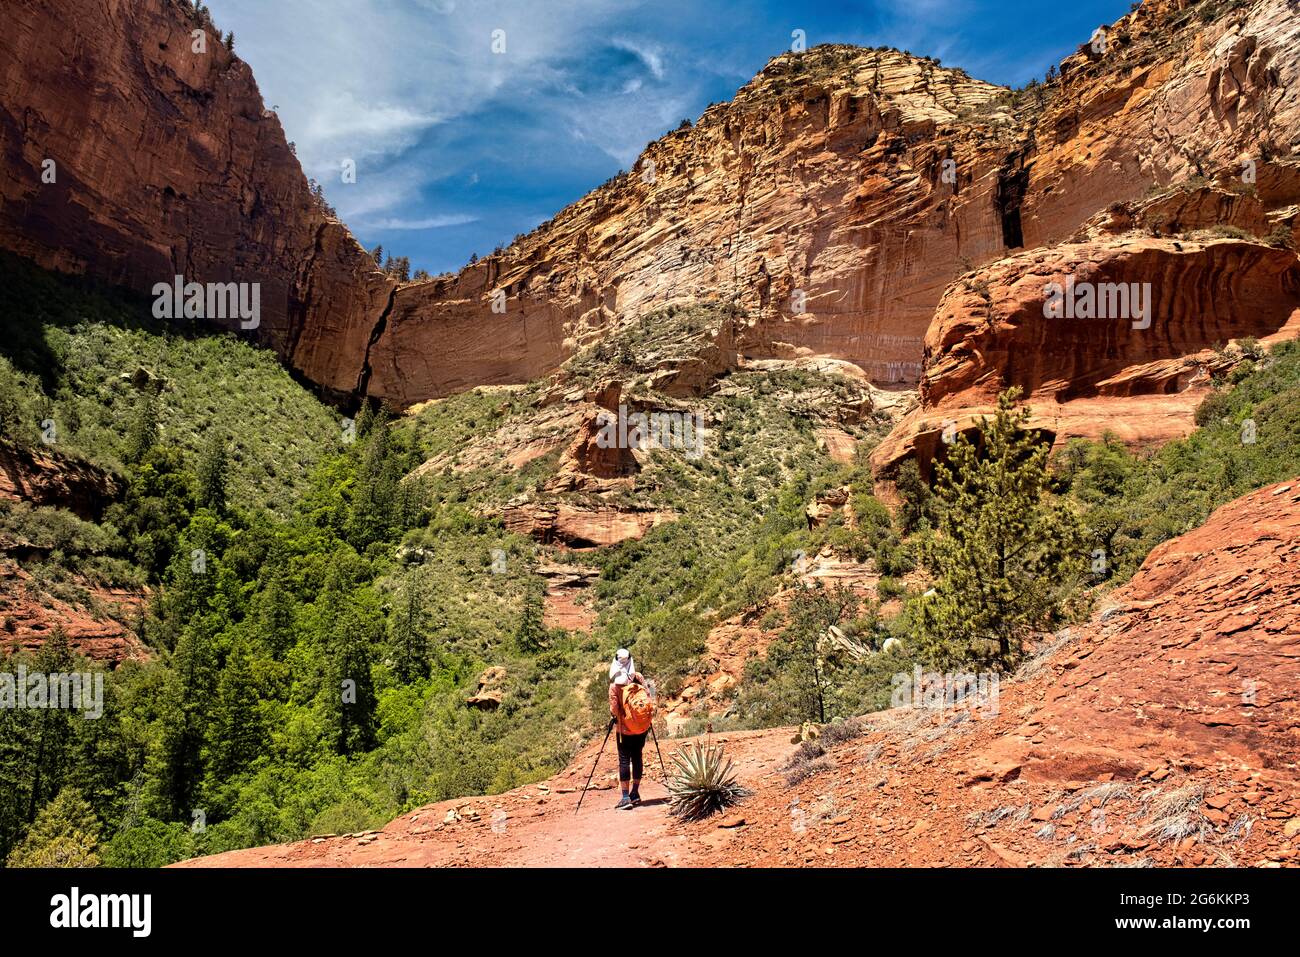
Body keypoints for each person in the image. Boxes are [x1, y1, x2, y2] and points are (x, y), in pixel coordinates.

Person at [608, 671, 647, 809]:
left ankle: (625, 798)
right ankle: (635, 793)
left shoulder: (615, 685)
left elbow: (614, 709)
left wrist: (616, 716)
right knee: (637, 757)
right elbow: (648, 696)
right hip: (641, 728)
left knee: (624, 760)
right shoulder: (639, 677)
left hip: (624, 730)